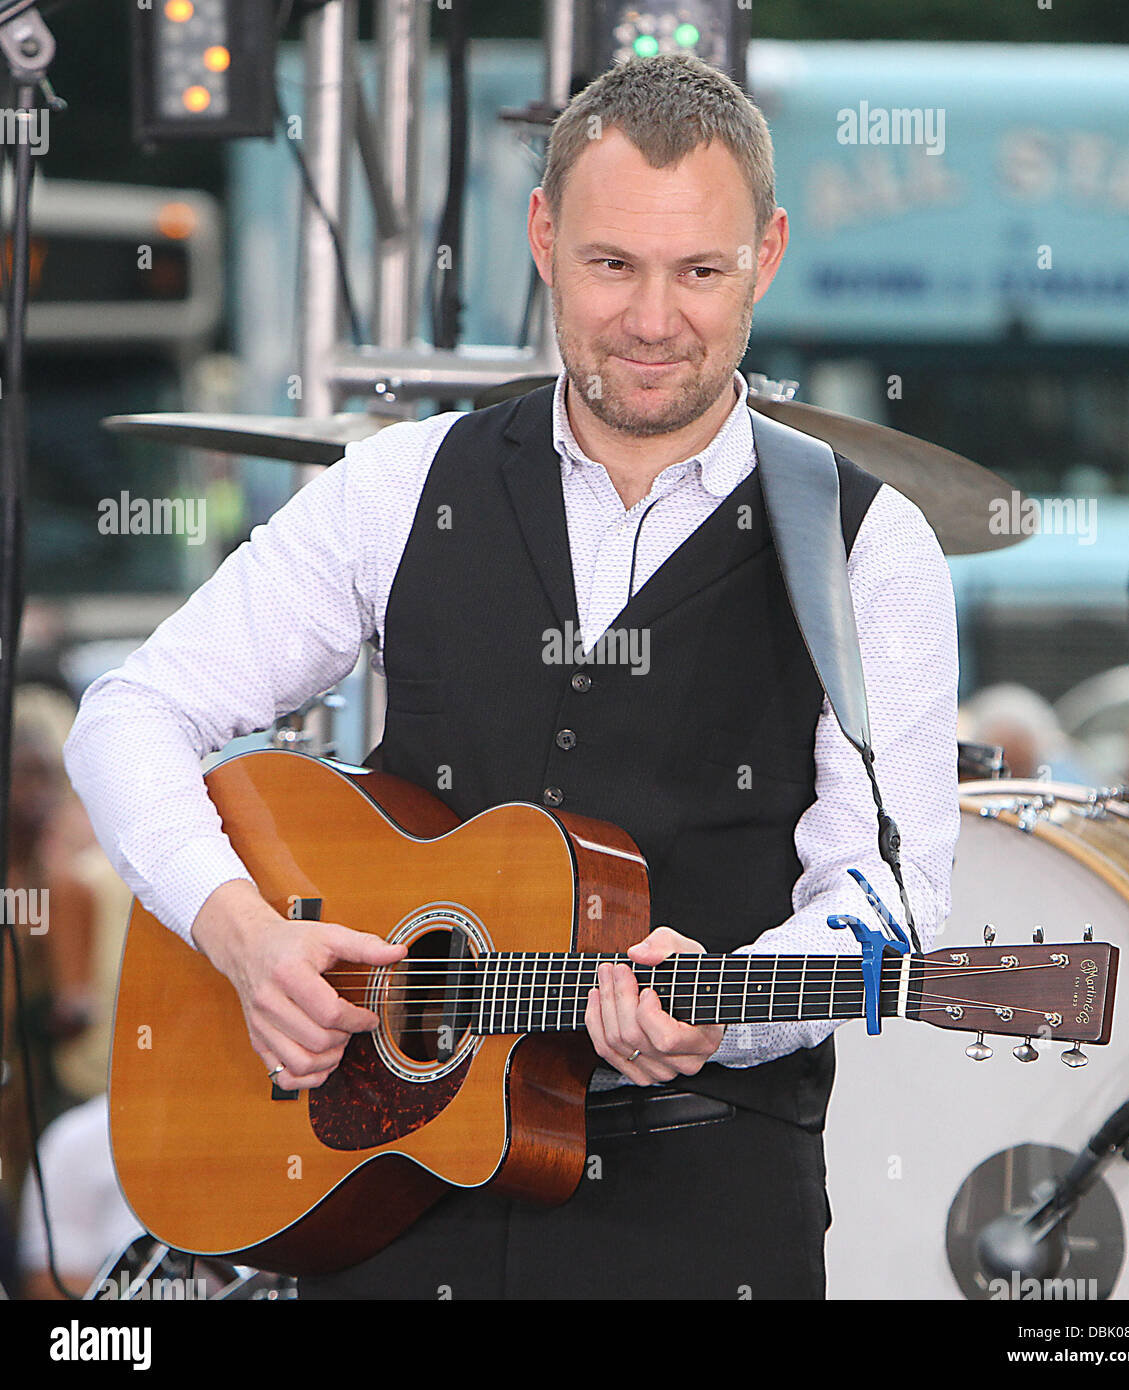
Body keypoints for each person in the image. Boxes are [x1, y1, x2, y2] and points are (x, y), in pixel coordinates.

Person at [63, 54, 959, 1299]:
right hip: (377, 1202)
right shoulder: (399, 486)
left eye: (699, 271)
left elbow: (892, 899)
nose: (653, 320)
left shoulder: (866, 545)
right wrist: (246, 937)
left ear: (767, 253)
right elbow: (129, 716)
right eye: (611, 266)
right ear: (542, 236)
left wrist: (728, 1008)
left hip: (701, 1227)